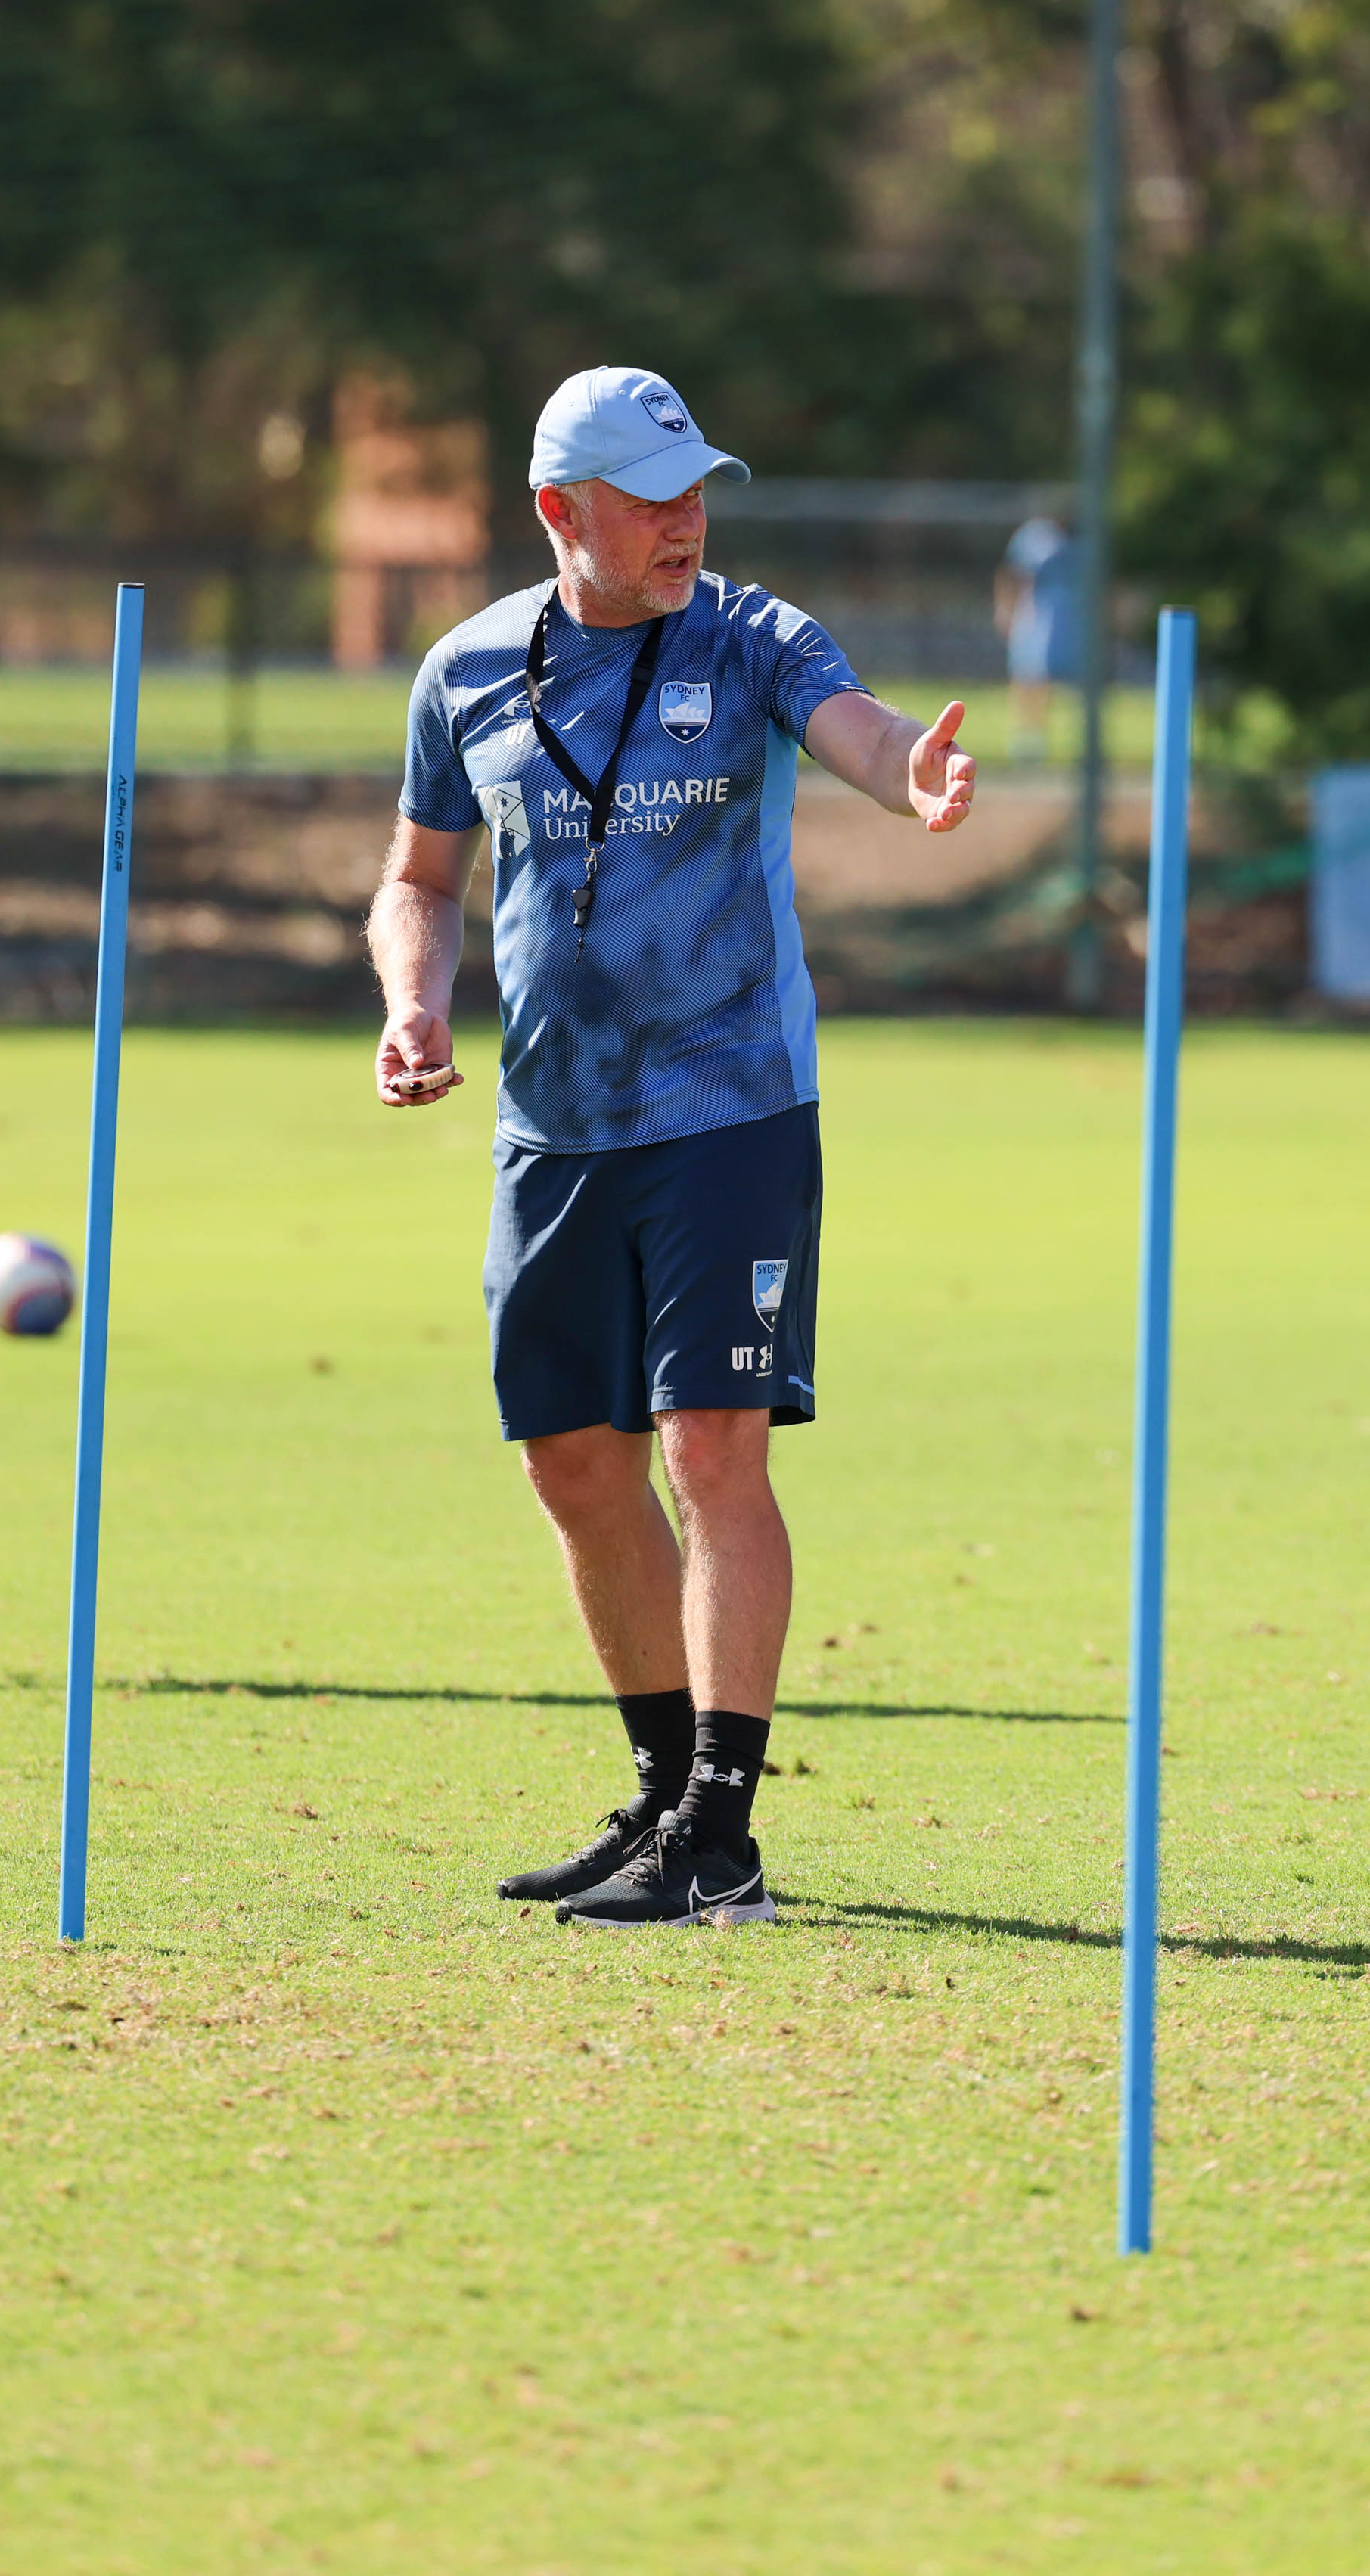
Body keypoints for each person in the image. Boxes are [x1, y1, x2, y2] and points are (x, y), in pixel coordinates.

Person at [372, 366, 977, 1928]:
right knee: (575, 1463)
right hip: (552, 1127)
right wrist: (415, 1006)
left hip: (732, 1111)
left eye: (698, 486)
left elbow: (856, 730)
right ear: (560, 512)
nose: (686, 519)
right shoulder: (464, 674)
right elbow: (421, 881)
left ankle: (725, 1829)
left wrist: (910, 773)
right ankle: (658, 1793)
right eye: (652, 497)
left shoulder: (752, 636)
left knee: (712, 1450)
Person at [996, 511, 1084, 760]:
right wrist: (1005, 610)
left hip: (1070, 615)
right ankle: (1027, 738)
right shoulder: (1033, 536)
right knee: (1030, 674)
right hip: (1035, 612)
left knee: (1068, 680)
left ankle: (1071, 739)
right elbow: (1010, 575)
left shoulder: (1083, 538)